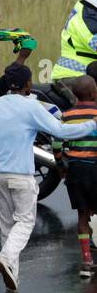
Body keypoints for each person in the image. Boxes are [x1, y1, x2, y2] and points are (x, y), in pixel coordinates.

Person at [0, 64, 97, 291]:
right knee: (26, 222)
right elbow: (61, 131)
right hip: (22, 175)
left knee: (7, 228)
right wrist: (91, 124)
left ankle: (13, 280)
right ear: (28, 84)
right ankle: (6, 257)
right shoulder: (31, 106)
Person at [54, 75, 97, 276]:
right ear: (93, 93)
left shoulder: (66, 115)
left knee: (82, 215)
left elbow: (57, 143)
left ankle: (86, 261)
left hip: (76, 170)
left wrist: (60, 163)